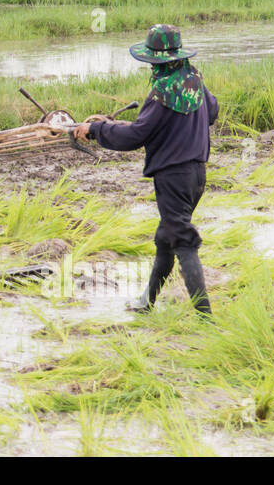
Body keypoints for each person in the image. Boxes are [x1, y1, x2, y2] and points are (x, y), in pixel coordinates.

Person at [74, 25, 217, 314]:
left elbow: (135, 137)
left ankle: (206, 317)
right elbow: (211, 112)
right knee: (167, 238)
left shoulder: (162, 92)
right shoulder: (194, 80)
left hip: (173, 178)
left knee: (184, 242)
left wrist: (95, 129)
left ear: (156, 61)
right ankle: (147, 302)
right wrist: (111, 126)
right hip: (196, 175)